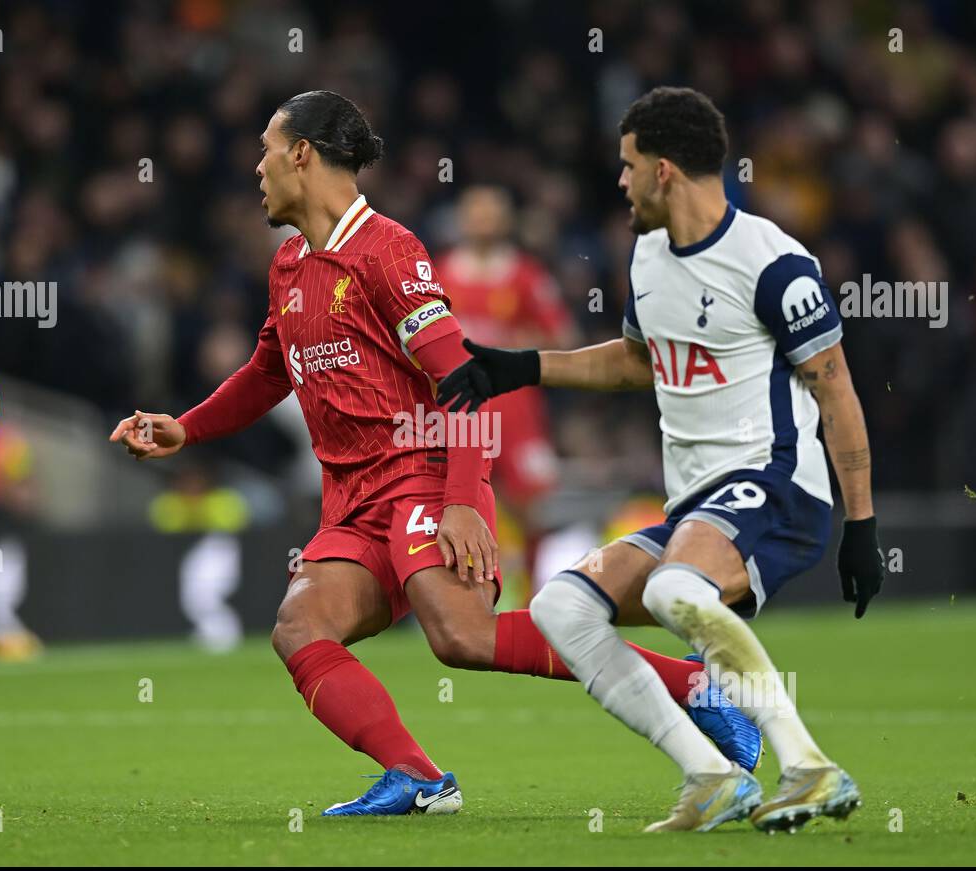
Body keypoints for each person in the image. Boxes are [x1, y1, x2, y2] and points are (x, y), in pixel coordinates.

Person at [111, 90, 759, 818]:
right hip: (352, 501)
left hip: (423, 470)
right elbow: (268, 371)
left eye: (266, 149)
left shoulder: (388, 252)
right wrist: (185, 429)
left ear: (301, 155)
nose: (256, 169)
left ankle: (695, 686)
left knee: (460, 637)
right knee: (300, 627)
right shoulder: (290, 266)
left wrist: (460, 499)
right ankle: (417, 775)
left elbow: (464, 382)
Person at [438, 86, 885, 832]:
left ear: (664, 170)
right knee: (560, 604)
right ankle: (710, 775)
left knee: (677, 590)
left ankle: (808, 766)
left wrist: (863, 523)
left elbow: (835, 389)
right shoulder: (647, 256)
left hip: (772, 481)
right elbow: (637, 362)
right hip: (695, 504)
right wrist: (522, 368)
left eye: (628, 165)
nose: (619, 181)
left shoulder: (773, 263)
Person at [438, 187, 576, 597]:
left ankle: (534, 593)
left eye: (491, 214)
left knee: (530, 508)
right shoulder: (440, 272)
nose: (483, 222)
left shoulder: (526, 275)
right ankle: (464, 596)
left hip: (518, 413)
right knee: (460, 500)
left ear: (505, 221)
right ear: (462, 220)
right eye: (475, 214)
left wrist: (512, 345)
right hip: (458, 409)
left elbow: (563, 336)